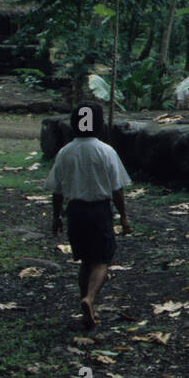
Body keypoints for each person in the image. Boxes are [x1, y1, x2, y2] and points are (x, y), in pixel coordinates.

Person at [47, 103, 132, 330]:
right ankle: (90, 298)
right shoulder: (106, 151)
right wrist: (124, 216)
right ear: (99, 124)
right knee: (102, 260)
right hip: (99, 210)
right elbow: (117, 189)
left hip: (75, 211)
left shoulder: (65, 152)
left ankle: (85, 301)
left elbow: (57, 191)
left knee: (85, 260)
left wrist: (56, 217)